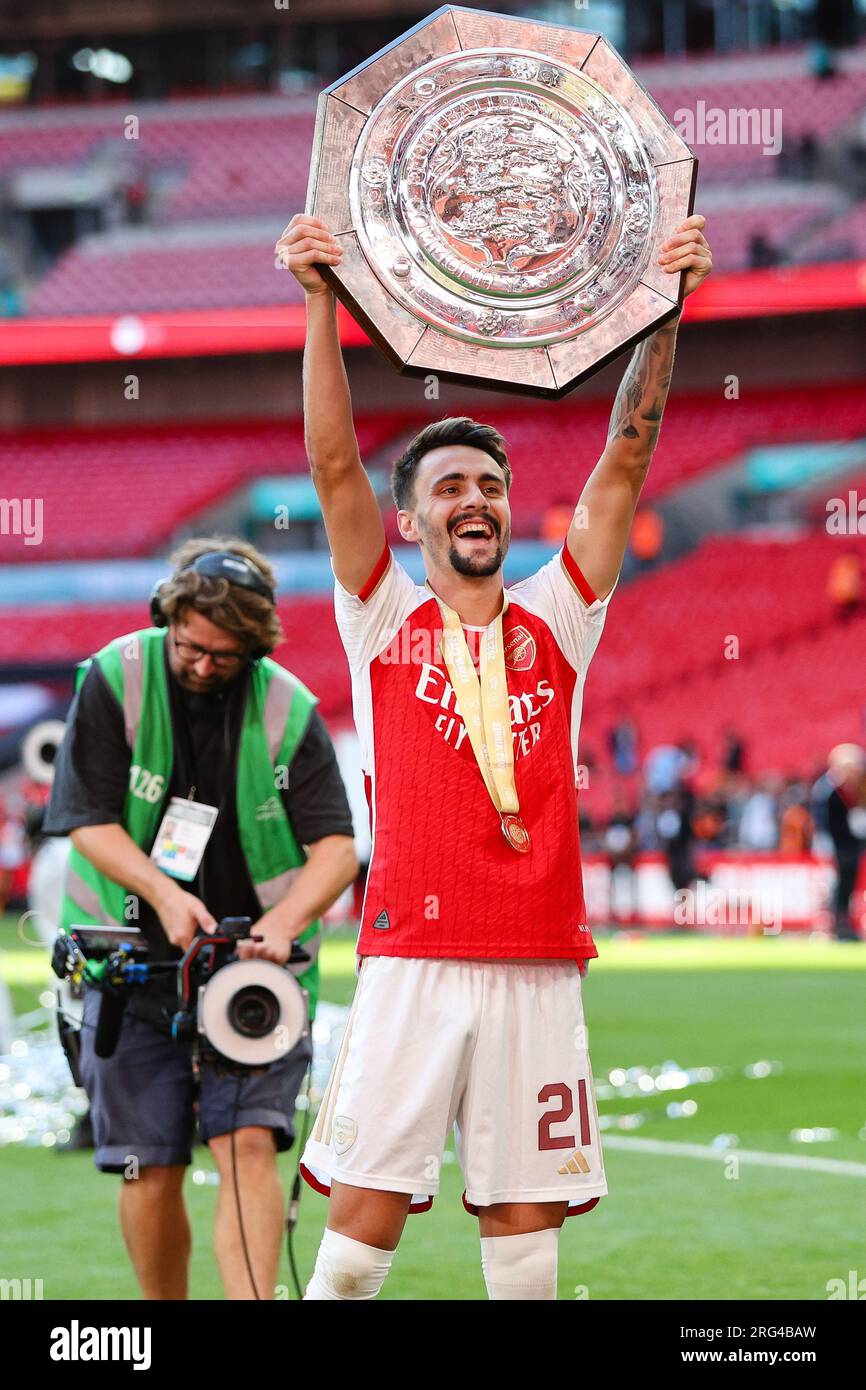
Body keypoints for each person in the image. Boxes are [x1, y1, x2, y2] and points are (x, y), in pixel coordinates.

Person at [276, 206, 712, 1301]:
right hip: (411, 959)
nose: (475, 500)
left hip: (534, 960)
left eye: (489, 485)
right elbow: (332, 465)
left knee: (523, 1263)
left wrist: (664, 309)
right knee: (348, 1260)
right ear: (411, 523)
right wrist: (322, 303)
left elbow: (623, 458)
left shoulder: (557, 618)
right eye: (449, 488)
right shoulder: (383, 620)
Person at [43, 537, 358, 1299]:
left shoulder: (287, 706)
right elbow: (86, 818)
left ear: (253, 647)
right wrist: (162, 893)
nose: (204, 665)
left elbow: (339, 851)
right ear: (168, 617)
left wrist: (283, 924)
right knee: (148, 1164)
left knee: (248, 1143)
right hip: (129, 969)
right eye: (191, 645)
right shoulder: (115, 677)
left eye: (225, 654)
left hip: (254, 975)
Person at [812, 744, 866, 942]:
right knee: (836, 886)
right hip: (836, 847)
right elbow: (823, 821)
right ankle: (834, 925)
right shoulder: (829, 789)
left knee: (848, 886)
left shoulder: (857, 787)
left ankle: (845, 924)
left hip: (851, 846)